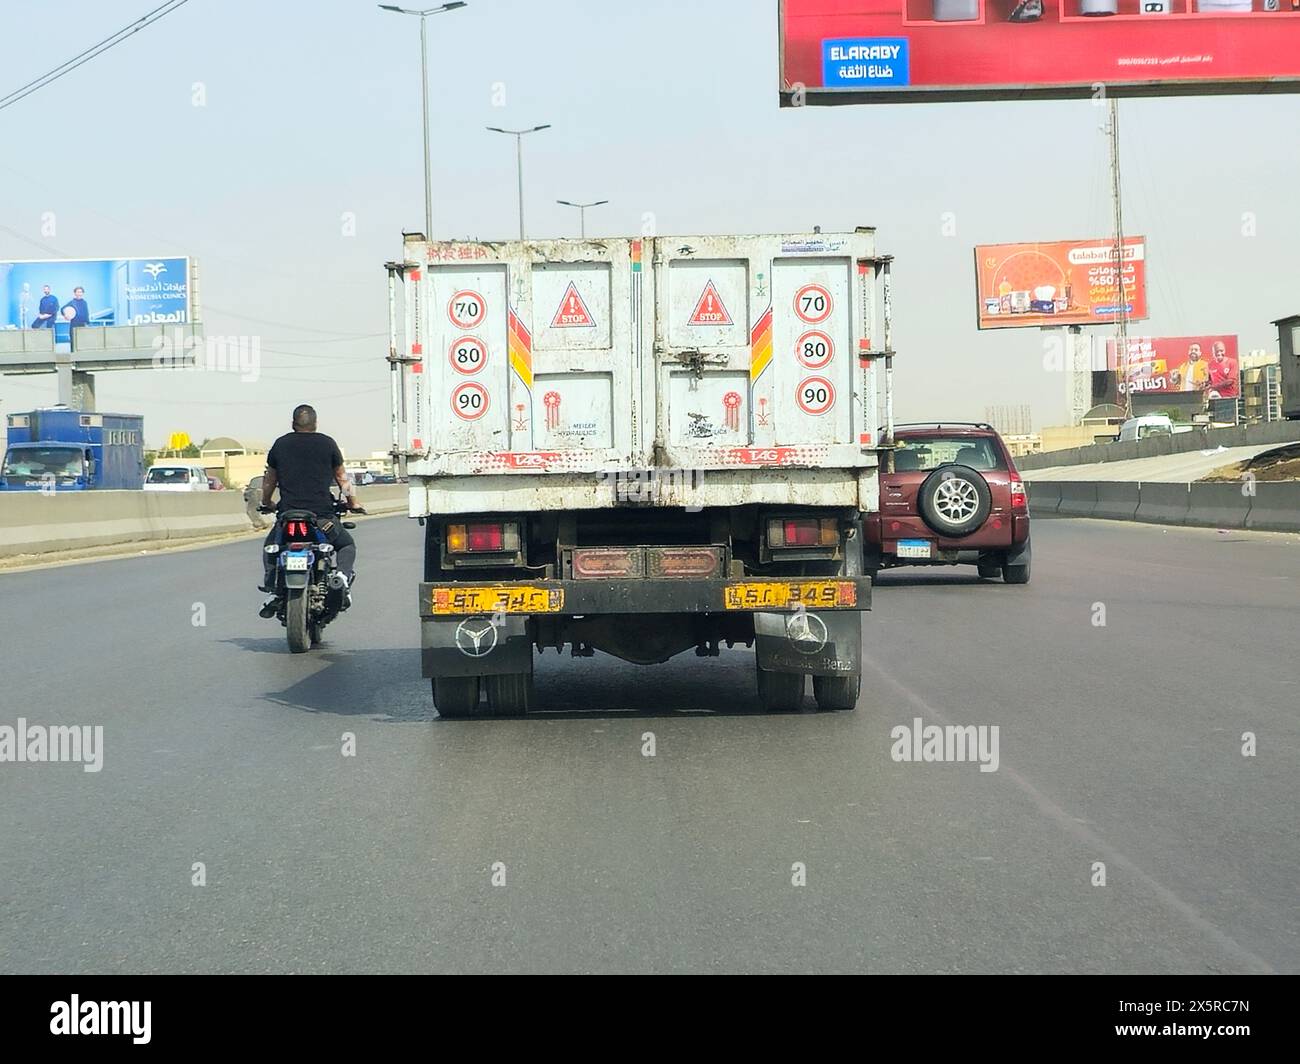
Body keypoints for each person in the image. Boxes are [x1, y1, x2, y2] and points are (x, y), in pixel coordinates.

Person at [258, 404, 360, 617]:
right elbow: (343, 478)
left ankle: (273, 589)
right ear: (315, 423)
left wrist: (267, 502)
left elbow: (269, 480)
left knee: (271, 548)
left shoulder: (280, 444)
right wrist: (353, 502)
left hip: (288, 517)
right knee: (346, 544)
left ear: (293, 424)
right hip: (322, 518)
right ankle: (341, 576)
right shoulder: (327, 443)